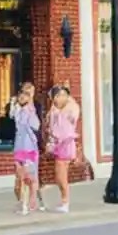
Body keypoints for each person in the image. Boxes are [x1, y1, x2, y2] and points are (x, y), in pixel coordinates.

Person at [45, 85, 81, 213]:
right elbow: (50, 128)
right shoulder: (54, 111)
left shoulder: (70, 109)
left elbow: (73, 114)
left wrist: (67, 97)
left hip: (66, 143)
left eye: (63, 95)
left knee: (61, 175)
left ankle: (65, 202)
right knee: (59, 175)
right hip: (57, 143)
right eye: (58, 95)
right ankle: (64, 200)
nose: (60, 98)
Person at [10, 85, 41, 215]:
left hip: (29, 147)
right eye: (21, 94)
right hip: (19, 146)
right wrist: (13, 104)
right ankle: (22, 201)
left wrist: (30, 105)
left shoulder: (31, 110)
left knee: (29, 177)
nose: (22, 97)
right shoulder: (18, 110)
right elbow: (11, 115)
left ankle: (30, 202)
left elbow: (37, 125)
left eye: (26, 95)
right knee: (19, 177)